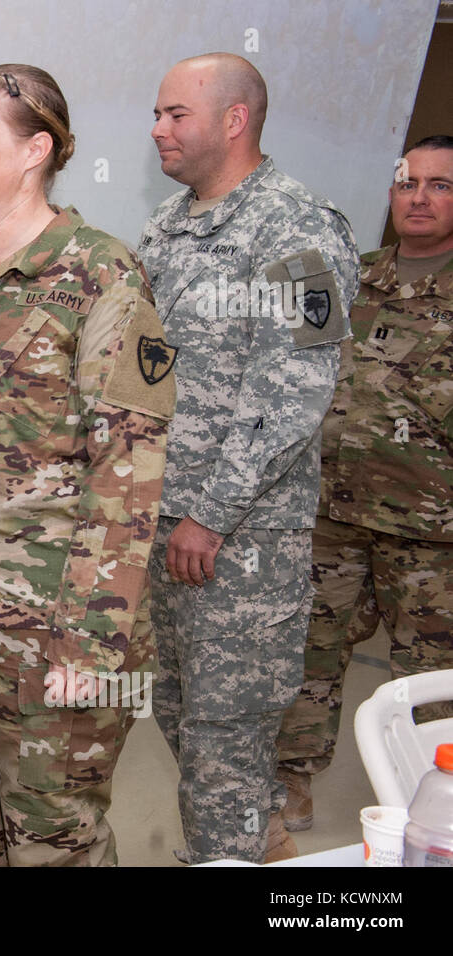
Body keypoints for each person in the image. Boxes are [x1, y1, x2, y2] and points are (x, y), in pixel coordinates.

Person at [0, 64, 175, 867]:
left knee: (55, 841)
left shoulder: (100, 275)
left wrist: (89, 640)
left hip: (50, 625)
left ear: (35, 150)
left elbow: (128, 471)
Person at [138, 52, 359, 863]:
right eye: (157, 114)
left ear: (234, 120)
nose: (158, 129)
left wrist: (211, 512)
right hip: (163, 524)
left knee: (225, 729)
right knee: (177, 708)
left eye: (175, 115)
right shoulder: (167, 226)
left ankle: (228, 850)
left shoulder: (297, 228)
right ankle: (255, 837)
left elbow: (292, 391)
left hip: (239, 542)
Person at [276, 135, 453, 830]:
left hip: (433, 537)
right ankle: (290, 784)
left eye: (441, 185)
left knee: (434, 681)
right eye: (409, 182)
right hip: (329, 517)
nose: (420, 196)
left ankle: (433, 805)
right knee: (306, 658)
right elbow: (284, 367)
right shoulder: (346, 277)